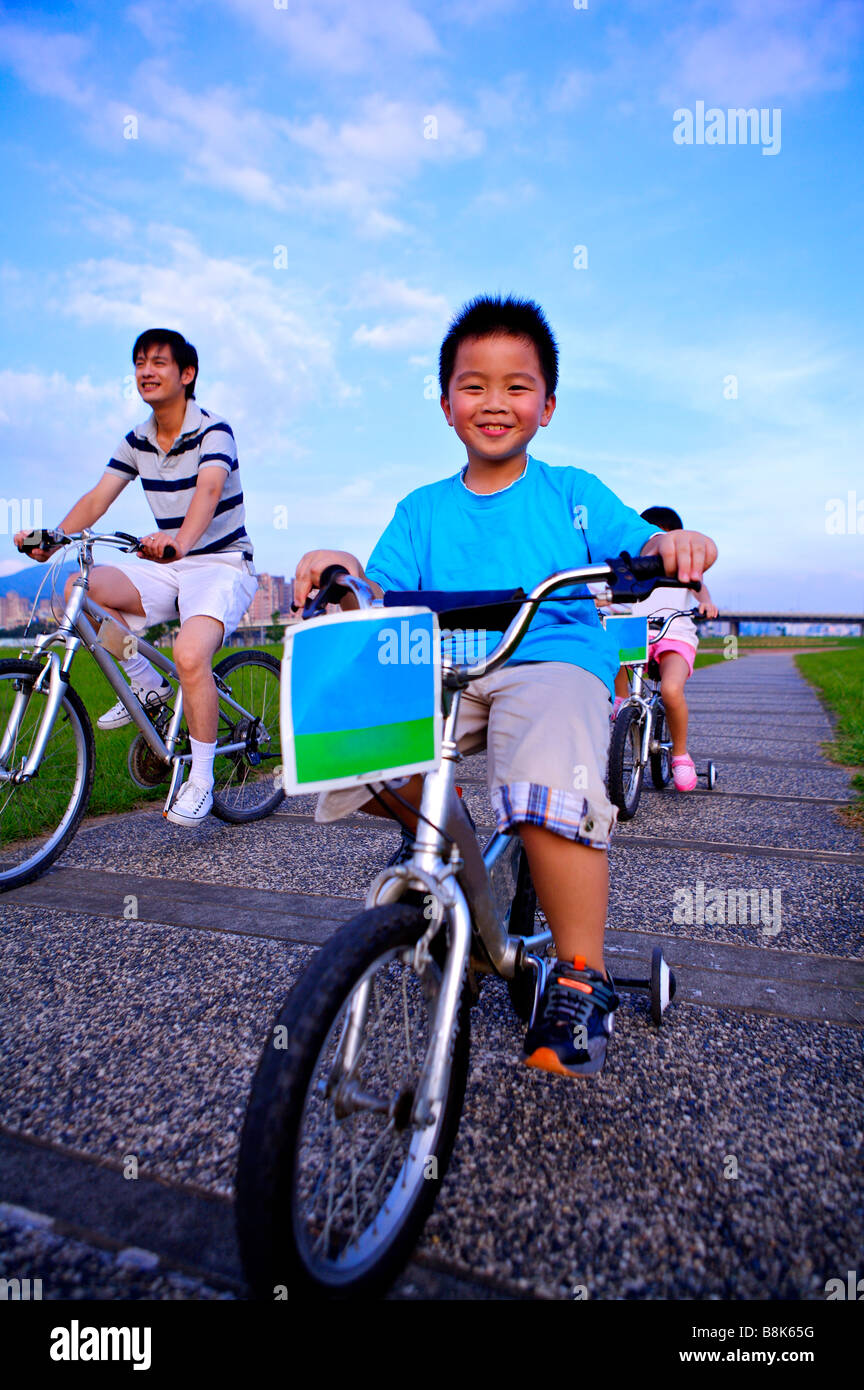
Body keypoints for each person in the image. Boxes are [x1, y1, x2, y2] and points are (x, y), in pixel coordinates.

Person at [293, 295, 717, 1079]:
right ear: (446, 404)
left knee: (550, 771)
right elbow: (376, 588)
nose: (495, 402)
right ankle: (447, 848)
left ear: (547, 406)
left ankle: (581, 975)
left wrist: (673, 544)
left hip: (548, 657)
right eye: (474, 385)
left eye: (517, 386)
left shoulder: (570, 493)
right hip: (445, 664)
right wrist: (334, 564)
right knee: (358, 755)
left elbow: (639, 540)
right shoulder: (421, 510)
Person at [13, 329, 257, 826]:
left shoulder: (214, 431)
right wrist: (54, 538)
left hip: (221, 564)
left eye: (159, 362)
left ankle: (201, 779)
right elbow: (98, 497)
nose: (146, 371)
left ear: (187, 374)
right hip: (169, 564)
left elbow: (209, 491)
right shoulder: (137, 440)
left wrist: (180, 541)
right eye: (140, 362)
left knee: (189, 654)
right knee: (82, 591)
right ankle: (148, 685)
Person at [610, 505, 718, 791]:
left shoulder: (685, 569)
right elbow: (614, 595)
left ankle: (680, 755)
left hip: (674, 634)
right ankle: (621, 699)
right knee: (613, 642)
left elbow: (699, 589)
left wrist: (706, 603)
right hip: (638, 632)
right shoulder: (632, 568)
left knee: (670, 690)